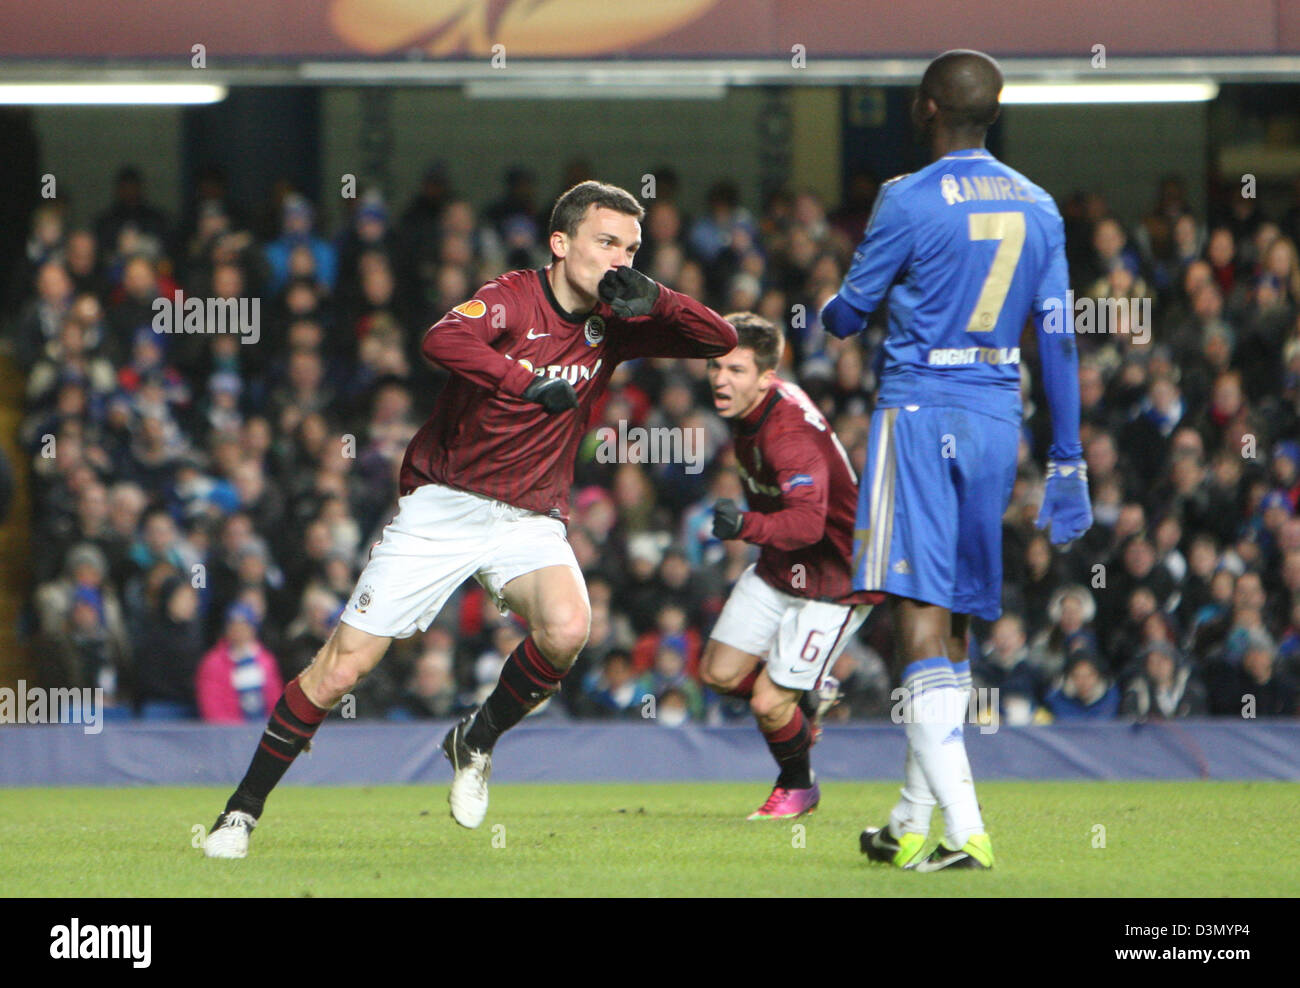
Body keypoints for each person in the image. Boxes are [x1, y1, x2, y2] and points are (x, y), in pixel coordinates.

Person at [202, 180, 737, 857]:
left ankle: (474, 740)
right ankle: (241, 812)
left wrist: (659, 297)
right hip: (446, 504)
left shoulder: (619, 320)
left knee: (570, 629)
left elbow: (719, 336)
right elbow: (442, 339)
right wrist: (522, 380)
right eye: (607, 243)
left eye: (631, 248)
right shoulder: (513, 296)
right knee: (341, 670)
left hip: (529, 516)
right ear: (561, 243)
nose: (620, 260)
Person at [820, 50, 1091, 871]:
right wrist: (1069, 458)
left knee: (915, 617)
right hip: (997, 415)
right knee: (958, 620)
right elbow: (1059, 337)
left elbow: (846, 316)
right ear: (995, 109)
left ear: (928, 107)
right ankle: (912, 822)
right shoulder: (1040, 206)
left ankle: (968, 831)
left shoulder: (906, 197)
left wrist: (837, 303)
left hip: (921, 408)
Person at [700, 313, 878, 819]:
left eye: (735, 370)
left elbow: (806, 525)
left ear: (766, 377)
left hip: (835, 579)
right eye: (716, 367)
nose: (719, 378)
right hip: (783, 566)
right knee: (718, 672)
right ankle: (805, 699)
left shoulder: (788, 435)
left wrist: (744, 528)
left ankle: (799, 788)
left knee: (766, 703)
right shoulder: (765, 401)